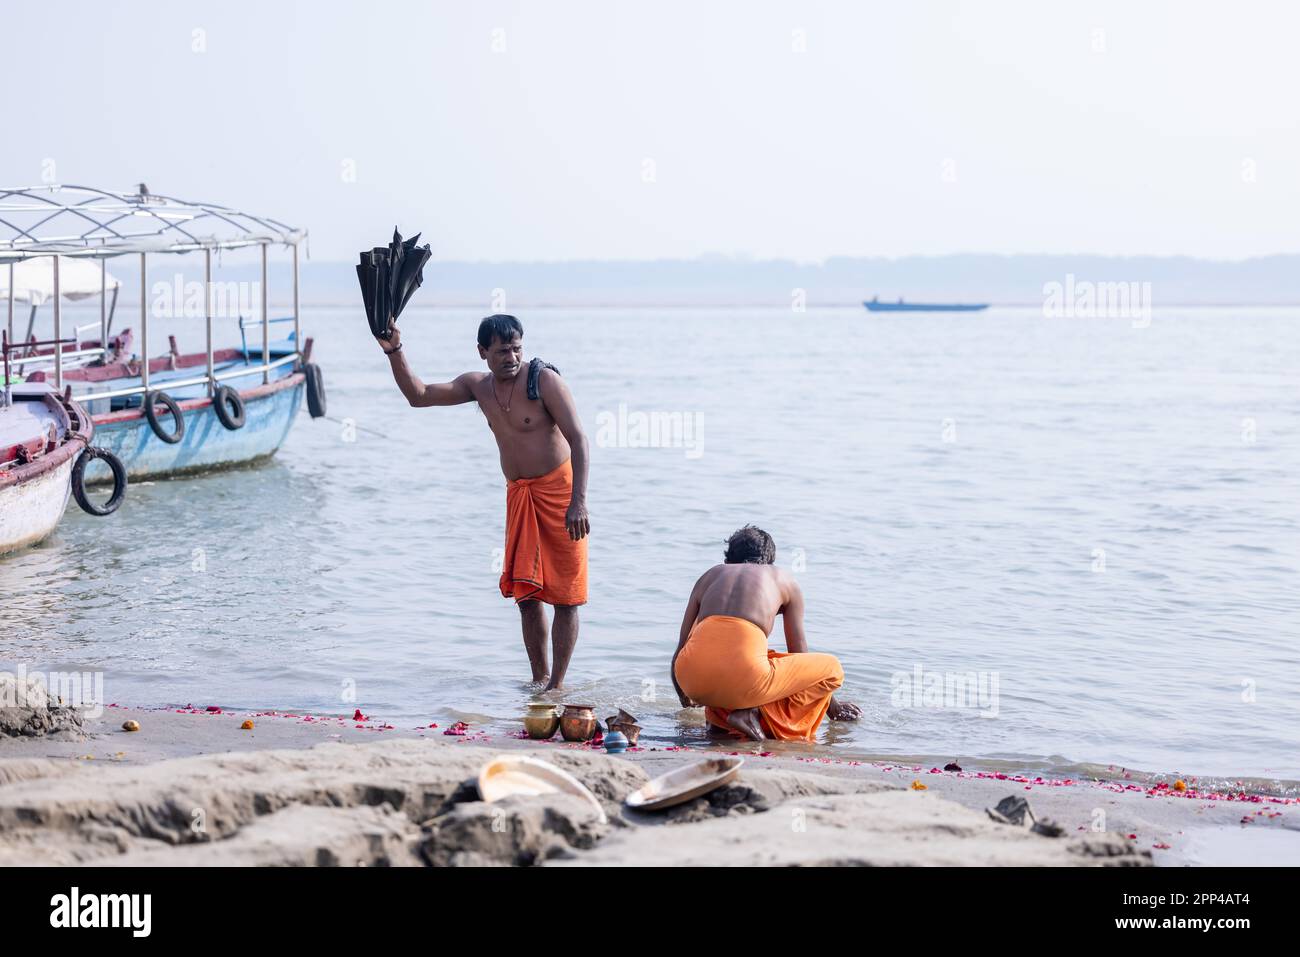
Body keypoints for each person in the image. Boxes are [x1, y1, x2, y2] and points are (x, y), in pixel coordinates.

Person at [378, 314, 590, 691]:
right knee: (527, 595)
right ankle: (539, 679)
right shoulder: (478, 386)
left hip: (560, 495)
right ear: (482, 352)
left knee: (566, 596)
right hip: (520, 495)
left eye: (516, 348)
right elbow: (419, 396)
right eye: (501, 351)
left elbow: (579, 439)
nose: (511, 357)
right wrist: (394, 349)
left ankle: (557, 686)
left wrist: (579, 502)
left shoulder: (544, 381)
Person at [671, 525, 860, 741]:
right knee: (832, 667)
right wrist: (832, 708)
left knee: (753, 658)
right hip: (743, 678)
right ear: (769, 562)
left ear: (728, 561)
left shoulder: (710, 576)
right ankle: (750, 713)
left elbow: (681, 647)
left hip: (690, 678)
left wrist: (687, 698)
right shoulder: (783, 579)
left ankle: (719, 719)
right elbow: (799, 654)